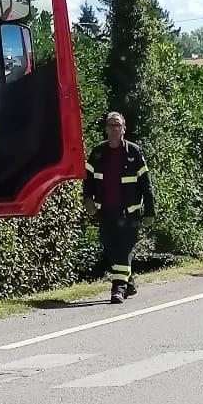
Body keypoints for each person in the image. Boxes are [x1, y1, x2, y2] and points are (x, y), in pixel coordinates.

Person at [84, 112, 156, 304]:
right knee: (111, 249)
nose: (114, 129)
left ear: (124, 129)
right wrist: (87, 199)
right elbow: (88, 180)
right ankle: (129, 280)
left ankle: (119, 288)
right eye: (111, 125)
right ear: (106, 129)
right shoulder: (98, 153)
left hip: (129, 212)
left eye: (118, 125)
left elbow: (146, 184)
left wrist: (149, 211)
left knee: (124, 250)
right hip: (105, 211)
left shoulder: (134, 152)